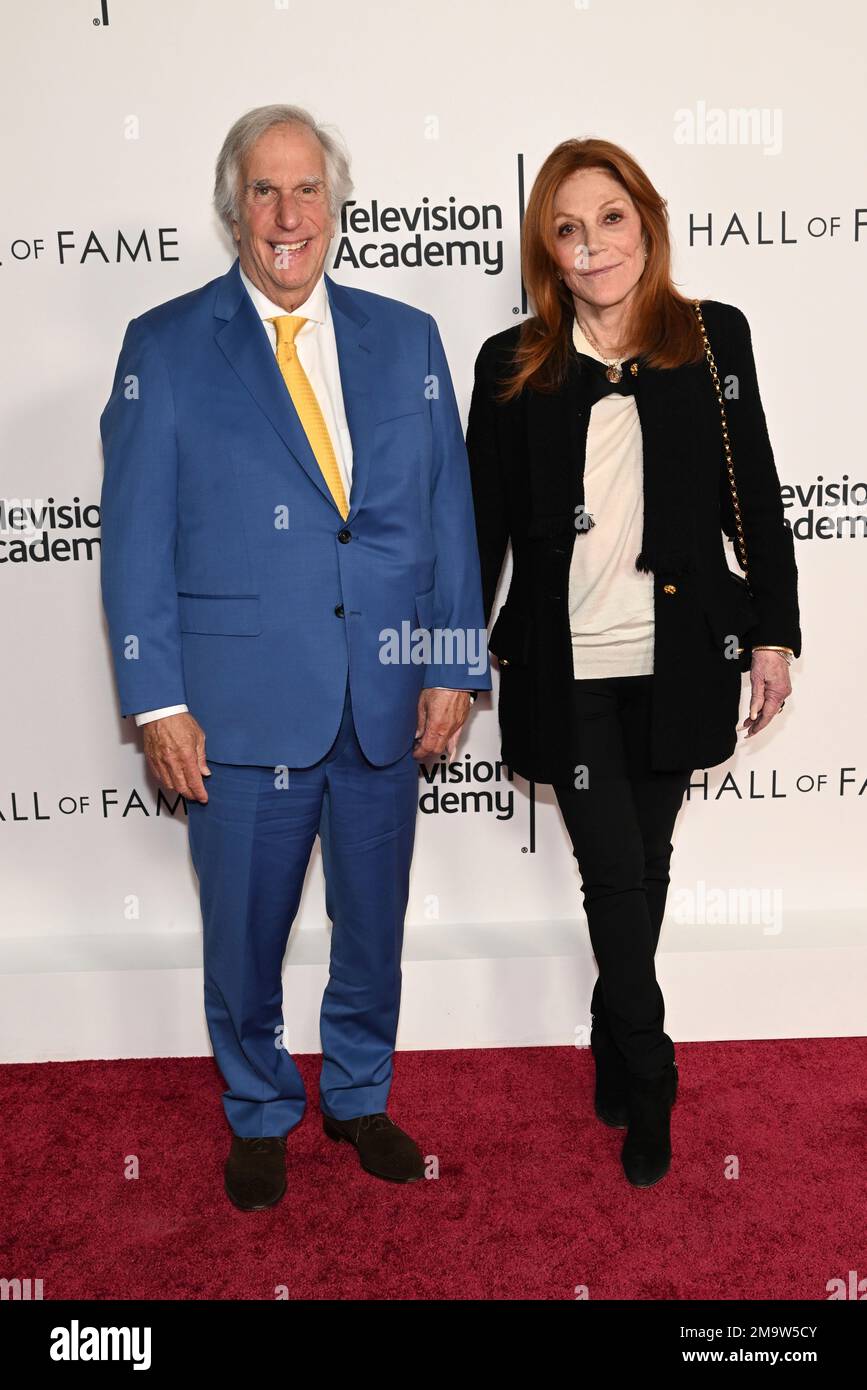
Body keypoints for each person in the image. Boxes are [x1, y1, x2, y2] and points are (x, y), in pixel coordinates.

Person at [99, 104, 489, 1211]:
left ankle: (359, 1095)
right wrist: (157, 700)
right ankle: (260, 1106)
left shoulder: (406, 339)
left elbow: (446, 518)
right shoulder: (164, 347)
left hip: (383, 700)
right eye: (264, 191)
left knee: (375, 922)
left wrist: (453, 664)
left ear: (335, 205)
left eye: (306, 189)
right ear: (234, 210)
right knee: (244, 939)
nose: (287, 213)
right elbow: (135, 544)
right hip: (235, 714)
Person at [466, 138, 801, 1188]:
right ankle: (652, 1073)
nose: (592, 243)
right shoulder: (512, 364)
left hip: (683, 661)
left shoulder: (713, 340)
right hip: (565, 671)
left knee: (643, 874)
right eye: (567, 228)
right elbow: (478, 532)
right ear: (548, 252)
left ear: (646, 222)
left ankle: (614, 1035)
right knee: (613, 871)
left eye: (610, 217)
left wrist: (774, 632)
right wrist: (444, 662)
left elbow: (758, 492)